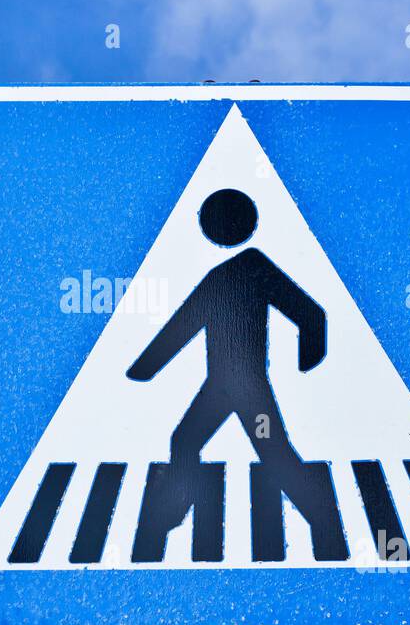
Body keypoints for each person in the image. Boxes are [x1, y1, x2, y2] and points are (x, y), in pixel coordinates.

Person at [127, 188, 326, 473]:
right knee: (184, 442)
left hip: (249, 388)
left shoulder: (253, 268)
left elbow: (309, 313)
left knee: (274, 453)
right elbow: (183, 326)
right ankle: (175, 511)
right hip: (218, 386)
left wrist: (308, 356)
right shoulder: (221, 277)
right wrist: (144, 369)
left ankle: (322, 516)